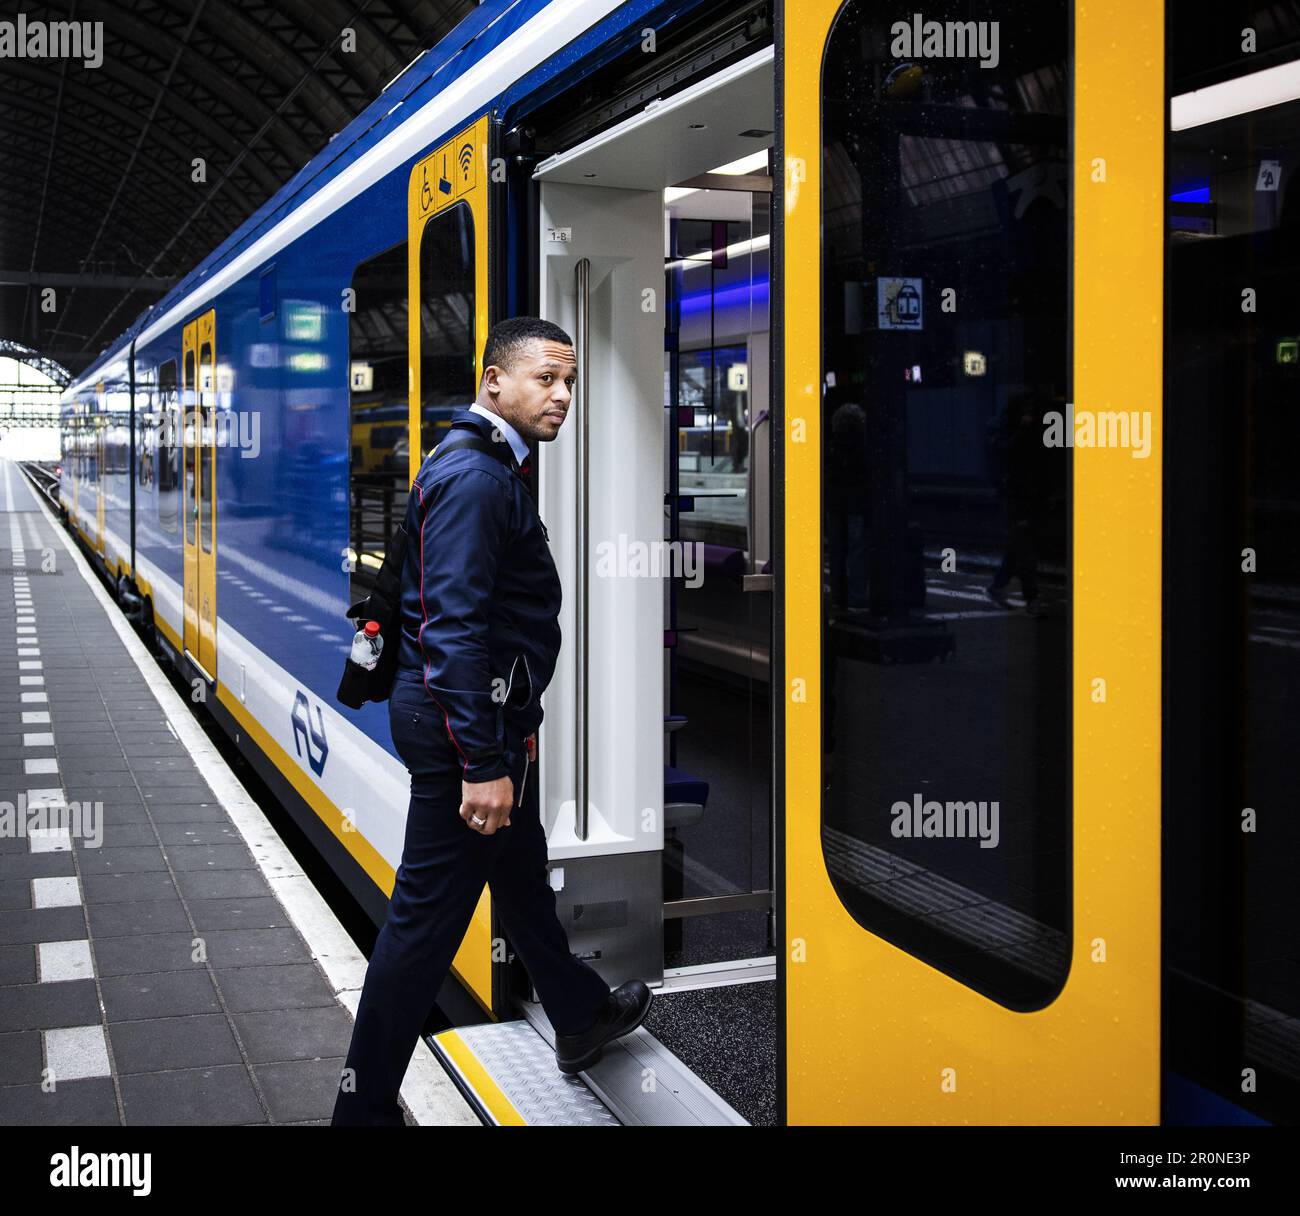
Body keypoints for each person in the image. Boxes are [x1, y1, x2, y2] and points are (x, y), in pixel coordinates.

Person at [332, 316, 651, 1126]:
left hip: (483, 723)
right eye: (545, 378)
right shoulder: (479, 479)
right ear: (493, 382)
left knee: (519, 874)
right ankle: (360, 1112)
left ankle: (577, 1017)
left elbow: (483, 620)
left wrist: (514, 727)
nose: (562, 395)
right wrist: (481, 758)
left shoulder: (478, 464)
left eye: (570, 381)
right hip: (457, 735)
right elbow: (453, 628)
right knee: (422, 931)